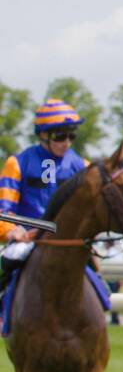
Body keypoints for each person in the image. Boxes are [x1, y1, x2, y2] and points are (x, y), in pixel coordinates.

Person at [0, 99, 88, 295]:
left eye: (71, 136)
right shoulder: (17, 163)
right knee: (10, 258)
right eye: (60, 136)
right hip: (29, 240)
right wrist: (12, 232)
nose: (66, 142)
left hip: (68, 241)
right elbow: (4, 210)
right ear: (43, 135)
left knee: (97, 277)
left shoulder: (82, 166)